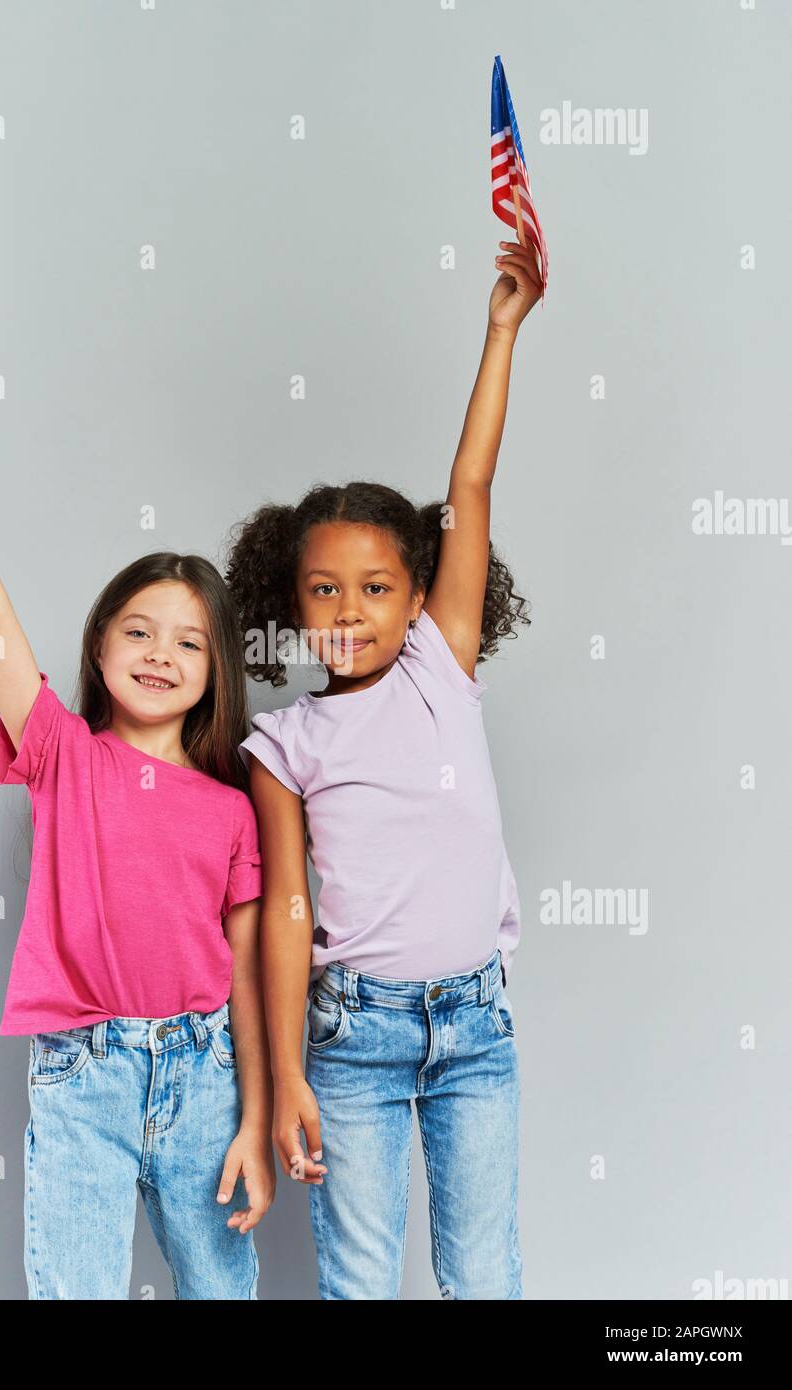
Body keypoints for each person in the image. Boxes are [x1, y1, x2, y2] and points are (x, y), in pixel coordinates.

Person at [0, 414, 275, 1298]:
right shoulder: (62, 753)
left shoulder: (233, 810)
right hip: (85, 1075)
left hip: (206, 1073)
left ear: (216, 670)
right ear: (99, 643)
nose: (159, 655)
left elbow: (250, 973)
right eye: (138, 632)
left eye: (189, 642)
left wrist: (253, 1120)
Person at [226, 238, 540, 1298]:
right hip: (351, 1032)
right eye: (323, 590)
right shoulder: (284, 746)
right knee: (358, 1279)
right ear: (291, 599)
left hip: (476, 1023)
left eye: (372, 587)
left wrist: (501, 328)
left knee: (484, 1275)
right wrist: (283, 1086)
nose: (348, 611)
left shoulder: (439, 669)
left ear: (418, 599)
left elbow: (470, 479)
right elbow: (281, 913)